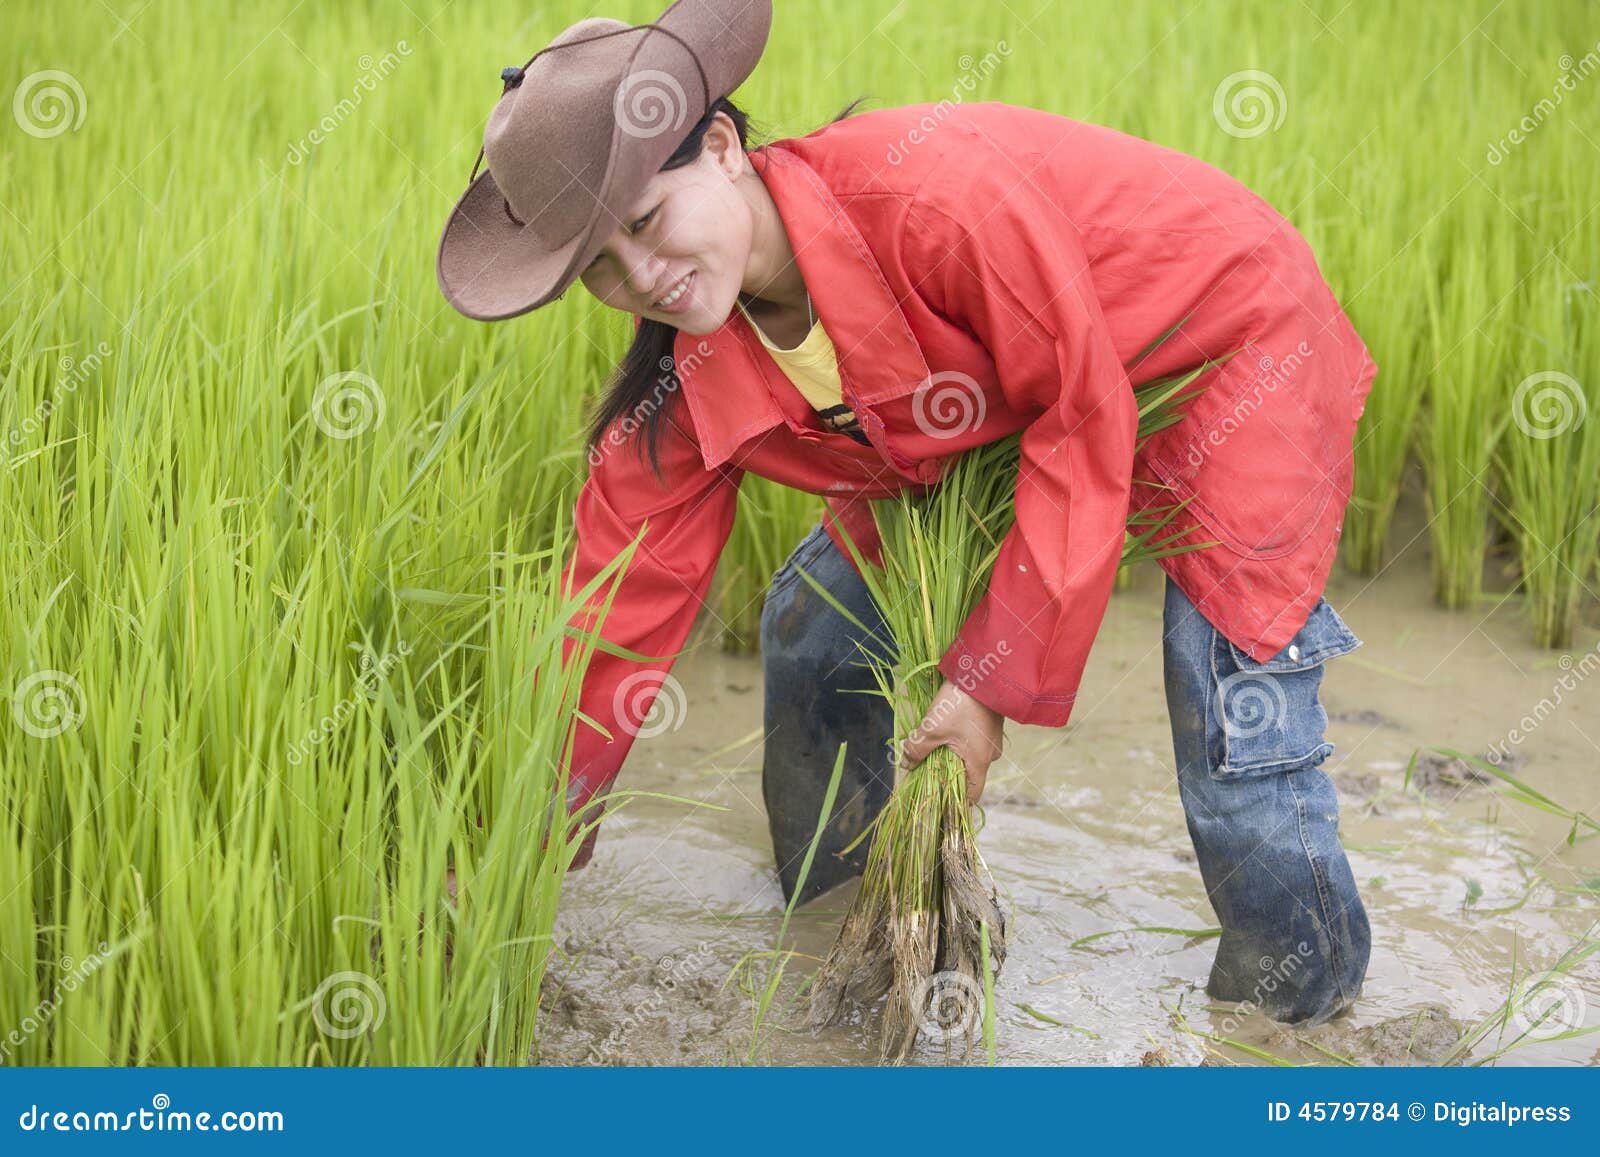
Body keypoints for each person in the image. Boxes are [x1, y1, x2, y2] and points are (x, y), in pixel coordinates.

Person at [437, 0, 1377, 1027]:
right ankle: (842, 910)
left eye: (647, 223)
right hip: (995, 408)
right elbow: (606, 625)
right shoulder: (683, 375)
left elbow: (1079, 412)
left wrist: (981, 683)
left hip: (1216, 348)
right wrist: (507, 855)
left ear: (718, 147)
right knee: (812, 627)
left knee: (1232, 707)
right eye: (600, 270)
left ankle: (1296, 1019)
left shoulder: (932, 202)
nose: (644, 278)